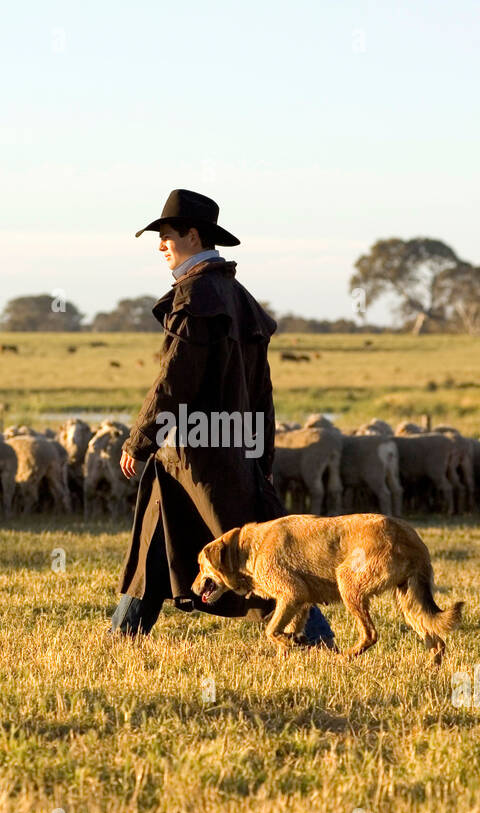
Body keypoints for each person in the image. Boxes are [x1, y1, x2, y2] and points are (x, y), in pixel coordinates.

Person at [107, 188, 336, 649]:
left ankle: (318, 639)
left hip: (197, 453)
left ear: (193, 236)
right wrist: (262, 451)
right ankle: (121, 637)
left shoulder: (197, 297)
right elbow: (263, 392)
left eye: (167, 235)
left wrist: (139, 439)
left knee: (258, 559)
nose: (160, 245)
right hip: (220, 449)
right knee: (155, 545)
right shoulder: (235, 295)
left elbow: (174, 380)